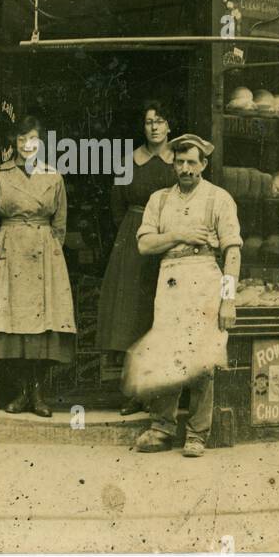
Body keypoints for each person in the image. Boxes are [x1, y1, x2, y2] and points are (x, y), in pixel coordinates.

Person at [126, 133, 242, 458]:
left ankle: (196, 434)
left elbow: (232, 252)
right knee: (166, 354)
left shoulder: (219, 199)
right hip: (171, 283)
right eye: (180, 162)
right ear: (173, 164)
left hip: (206, 281)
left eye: (192, 162)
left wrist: (228, 299)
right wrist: (179, 234)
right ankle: (162, 428)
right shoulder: (159, 200)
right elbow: (144, 244)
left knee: (203, 359)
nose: (186, 168)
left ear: (203, 164)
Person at [0, 115, 77, 417]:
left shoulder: (53, 176)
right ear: (15, 141)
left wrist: (48, 249)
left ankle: (37, 394)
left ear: (41, 142)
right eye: (21, 139)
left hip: (43, 252)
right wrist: (2, 247)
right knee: (12, 328)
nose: (27, 145)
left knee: (43, 328)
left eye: (33, 139)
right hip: (9, 252)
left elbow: (60, 224)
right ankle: (22, 394)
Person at [94, 100, 178, 416]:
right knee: (132, 317)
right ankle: (135, 393)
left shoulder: (176, 163)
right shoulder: (128, 162)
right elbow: (117, 206)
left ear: (169, 126)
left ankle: (162, 392)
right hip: (133, 243)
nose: (154, 127)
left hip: (167, 244)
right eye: (148, 121)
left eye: (160, 121)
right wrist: (134, 234)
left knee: (160, 317)